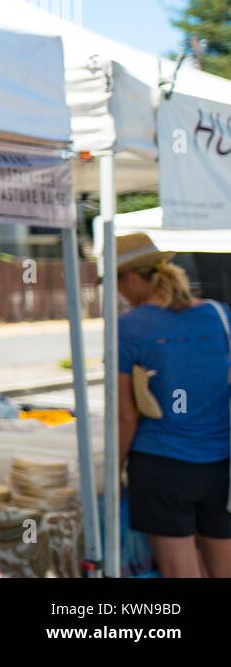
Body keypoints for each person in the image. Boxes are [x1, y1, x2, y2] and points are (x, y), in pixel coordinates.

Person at [116, 232, 231, 578]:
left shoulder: (130, 326)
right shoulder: (220, 314)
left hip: (162, 466)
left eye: (117, 284)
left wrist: (113, 470)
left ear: (132, 277)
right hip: (221, 466)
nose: (119, 294)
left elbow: (126, 417)